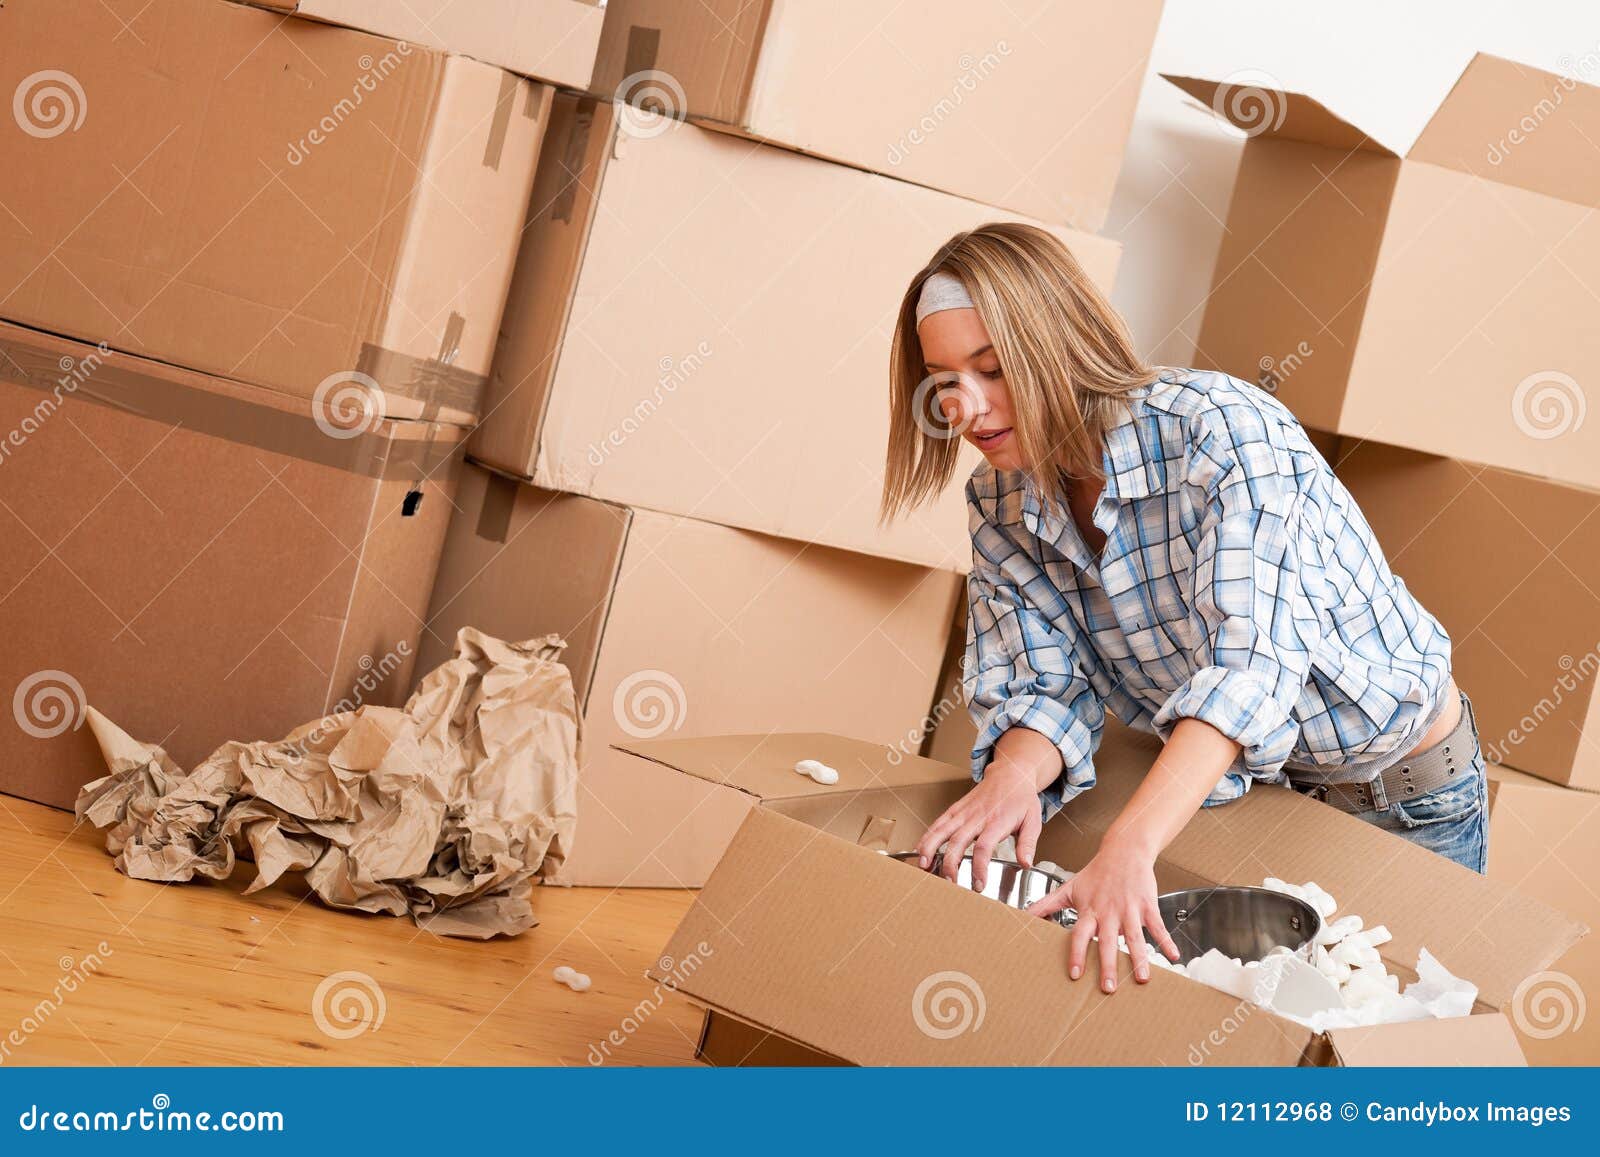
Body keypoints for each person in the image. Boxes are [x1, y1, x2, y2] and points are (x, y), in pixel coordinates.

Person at [881, 222, 1486, 994]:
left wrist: (1130, 844)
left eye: (993, 369)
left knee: (1387, 1065)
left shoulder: (1224, 431)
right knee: (1267, 1040)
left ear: (1060, 343)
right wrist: (1010, 777)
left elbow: (1247, 670)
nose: (965, 408)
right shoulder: (1000, 500)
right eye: (942, 381)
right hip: (1264, 794)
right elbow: (1043, 684)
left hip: (1408, 799)